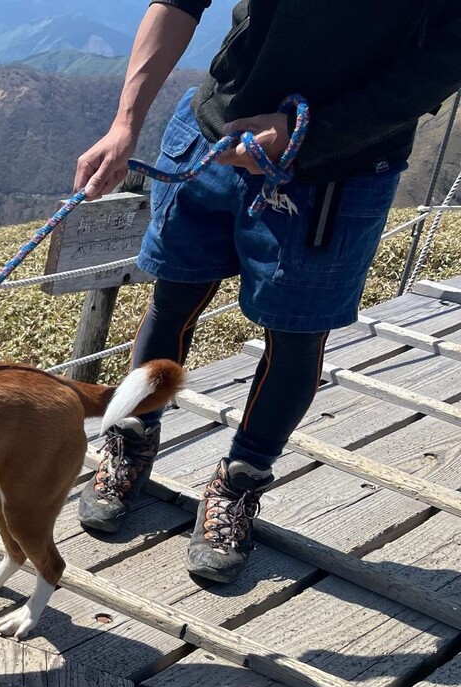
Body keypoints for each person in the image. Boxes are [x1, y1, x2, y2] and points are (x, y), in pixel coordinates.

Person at [74, 0, 461, 583]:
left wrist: (311, 132)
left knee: (295, 334)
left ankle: (240, 479)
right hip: (214, 131)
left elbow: (447, 54)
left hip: (337, 164)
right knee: (174, 298)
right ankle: (132, 433)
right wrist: (125, 122)